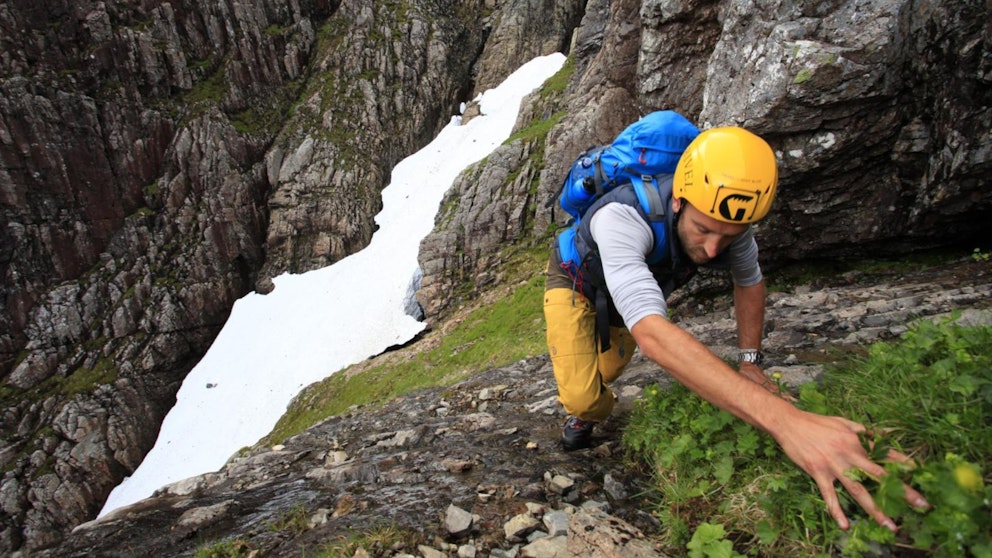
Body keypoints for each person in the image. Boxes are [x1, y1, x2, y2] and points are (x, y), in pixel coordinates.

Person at [543, 124, 929, 532]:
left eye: (727, 237)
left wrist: (750, 362)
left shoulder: (728, 225)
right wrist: (788, 422)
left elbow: (749, 280)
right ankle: (584, 416)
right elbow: (653, 335)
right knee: (583, 398)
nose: (713, 250)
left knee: (603, 372)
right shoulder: (620, 217)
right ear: (678, 201)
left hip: (623, 305)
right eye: (703, 230)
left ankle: (591, 394)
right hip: (574, 285)